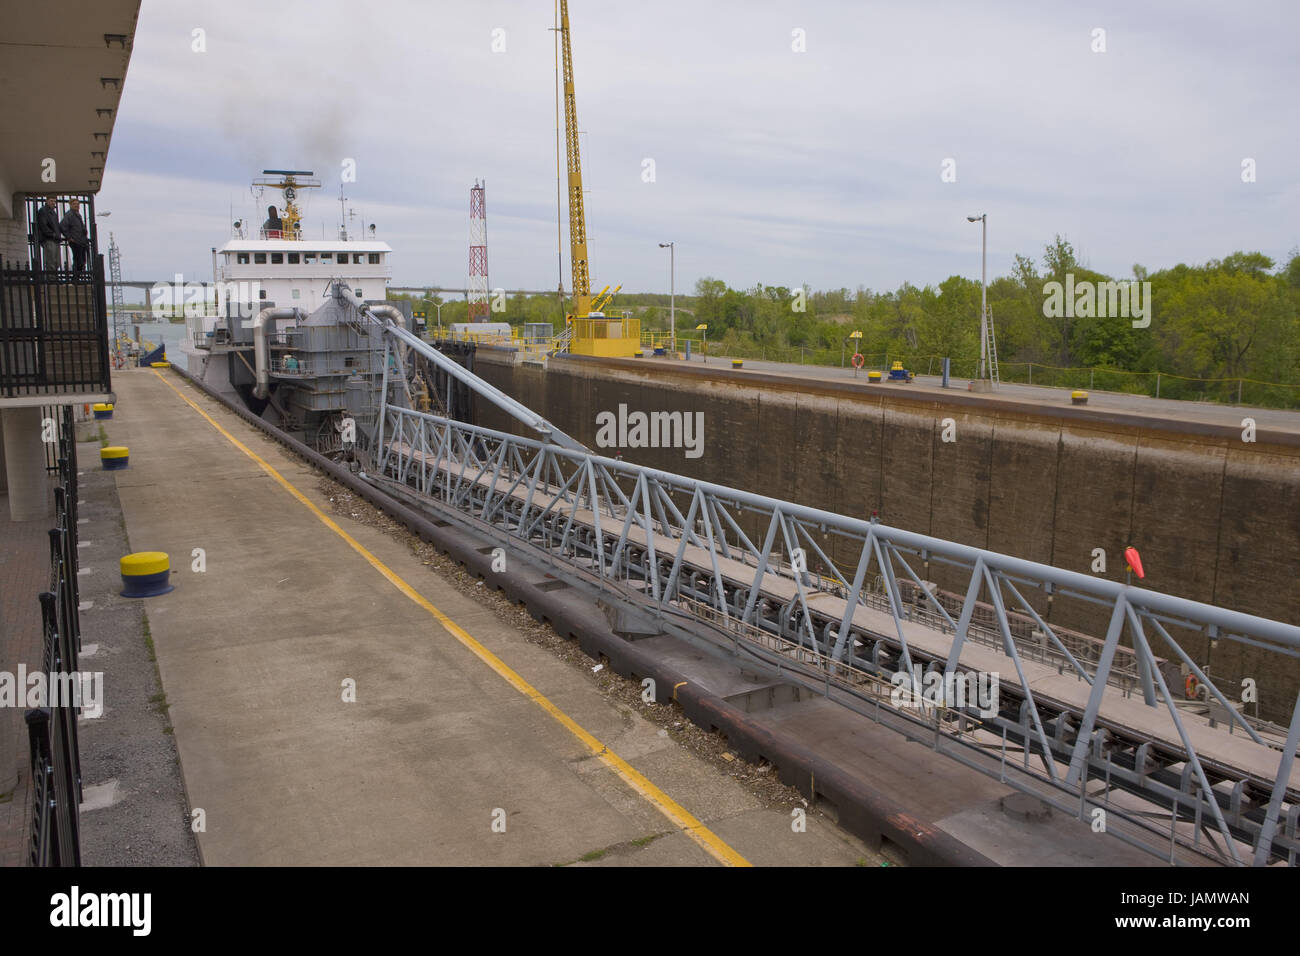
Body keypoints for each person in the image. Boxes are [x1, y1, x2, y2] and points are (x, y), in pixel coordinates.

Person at [59, 198, 89, 272]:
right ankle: (76, 276)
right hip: (75, 241)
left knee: (82, 261)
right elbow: (62, 226)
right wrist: (69, 237)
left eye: (78, 204)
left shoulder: (77, 215)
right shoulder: (69, 215)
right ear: (70, 205)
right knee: (78, 261)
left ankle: (78, 276)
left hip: (81, 241)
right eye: (74, 204)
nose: (77, 205)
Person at [36, 196, 61, 271]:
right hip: (49, 239)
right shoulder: (43, 211)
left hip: (55, 239)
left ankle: (54, 276)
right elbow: (43, 225)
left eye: (54, 201)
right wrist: (52, 234)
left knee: (57, 262)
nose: (53, 203)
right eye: (51, 201)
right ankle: (51, 277)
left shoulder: (53, 212)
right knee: (51, 262)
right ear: (46, 201)